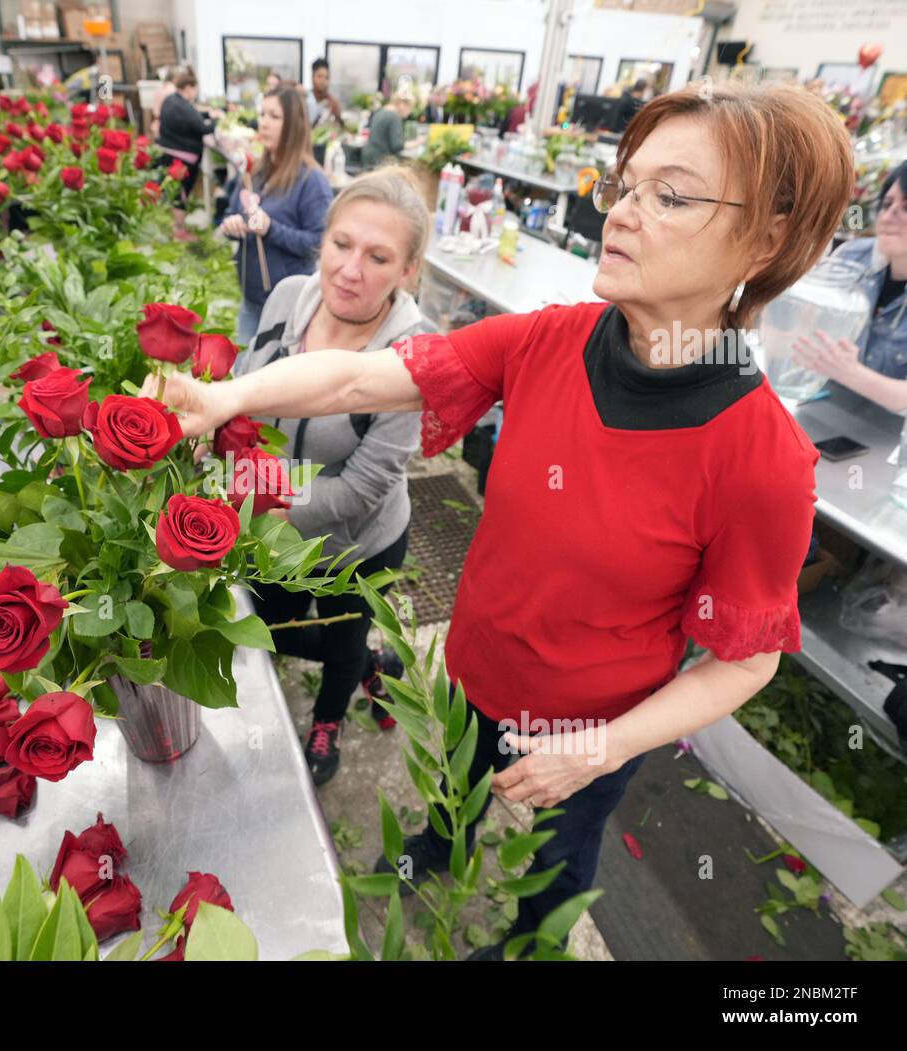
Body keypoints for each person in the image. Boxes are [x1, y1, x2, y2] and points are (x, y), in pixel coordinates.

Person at [158, 83, 853, 958]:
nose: (625, 215)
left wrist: (601, 747)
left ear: (769, 238)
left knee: (555, 864)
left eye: (669, 196)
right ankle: (440, 847)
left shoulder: (759, 456)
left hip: (588, 721)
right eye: (625, 186)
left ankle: (531, 944)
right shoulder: (547, 340)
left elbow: (744, 660)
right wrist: (222, 396)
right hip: (477, 662)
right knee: (456, 783)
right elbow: (354, 379)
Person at [236, 168, 430, 784]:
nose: (350, 270)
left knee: (344, 628)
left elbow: (361, 488)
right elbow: (246, 382)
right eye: (342, 244)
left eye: (378, 257)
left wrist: (257, 498)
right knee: (267, 627)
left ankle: (329, 718)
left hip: (358, 541)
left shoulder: (413, 356)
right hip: (269, 531)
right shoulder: (289, 295)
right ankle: (373, 666)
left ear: (406, 271)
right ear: (322, 239)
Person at [220, 84, 332, 347]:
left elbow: (319, 243)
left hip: (288, 307)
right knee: (242, 372)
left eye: (274, 116)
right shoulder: (256, 172)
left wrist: (271, 229)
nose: (264, 123)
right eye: (262, 114)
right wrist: (232, 224)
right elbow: (231, 211)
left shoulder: (311, 181)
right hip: (251, 299)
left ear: (293, 124)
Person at [791, 162, 907, 412]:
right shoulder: (852, 258)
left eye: (906, 208)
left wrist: (850, 373)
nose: (889, 216)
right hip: (825, 409)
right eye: (887, 205)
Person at [156, 71, 217, 237]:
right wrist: (215, 120)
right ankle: (179, 231)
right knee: (180, 193)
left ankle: (177, 228)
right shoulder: (182, 106)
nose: (195, 93)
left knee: (175, 192)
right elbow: (202, 128)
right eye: (195, 89)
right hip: (181, 156)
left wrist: (207, 115)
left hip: (169, 151)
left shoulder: (171, 100)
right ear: (188, 88)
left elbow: (193, 117)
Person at [361, 87, 414, 169]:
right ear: (402, 104)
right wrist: (417, 142)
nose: (410, 112)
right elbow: (397, 145)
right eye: (410, 108)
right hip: (380, 159)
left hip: (369, 154)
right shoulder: (394, 117)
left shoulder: (381, 111)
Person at [306, 58, 343, 129]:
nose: (323, 81)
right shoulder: (305, 99)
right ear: (312, 77)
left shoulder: (333, 103)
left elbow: (340, 127)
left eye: (326, 77)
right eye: (319, 76)